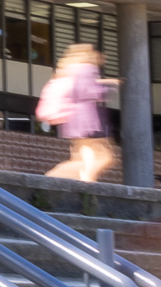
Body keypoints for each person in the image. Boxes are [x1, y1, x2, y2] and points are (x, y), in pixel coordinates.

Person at [35, 43, 119, 184]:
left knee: (85, 154)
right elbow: (86, 91)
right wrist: (108, 87)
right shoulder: (87, 68)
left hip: (73, 120)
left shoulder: (67, 70)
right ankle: (62, 177)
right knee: (104, 157)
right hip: (84, 119)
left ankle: (82, 178)